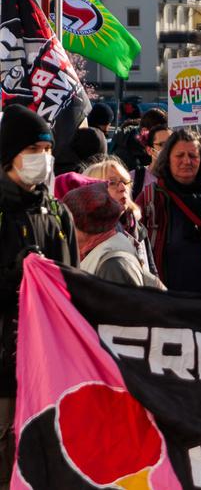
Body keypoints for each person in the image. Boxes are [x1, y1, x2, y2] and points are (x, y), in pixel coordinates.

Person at [0, 106, 77, 475]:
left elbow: (74, 284)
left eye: (47, 150)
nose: (43, 158)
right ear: (8, 155)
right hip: (4, 368)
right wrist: (15, 278)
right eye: (33, 150)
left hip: (48, 366)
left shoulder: (59, 214)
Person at [137, 127, 201, 295]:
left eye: (193, 155)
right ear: (167, 159)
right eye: (179, 155)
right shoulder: (150, 198)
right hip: (168, 301)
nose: (186, 161)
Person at [63, 181, 161, 288]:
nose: (65, 231)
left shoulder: (112, 265)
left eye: (68, 224)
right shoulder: (106, 252)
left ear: (85, 226)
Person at [82, 157, 152, 272]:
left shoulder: (137, 228)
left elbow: (152, 273)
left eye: (125, 182)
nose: (123, 188)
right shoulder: (83, 235)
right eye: (112, 183)